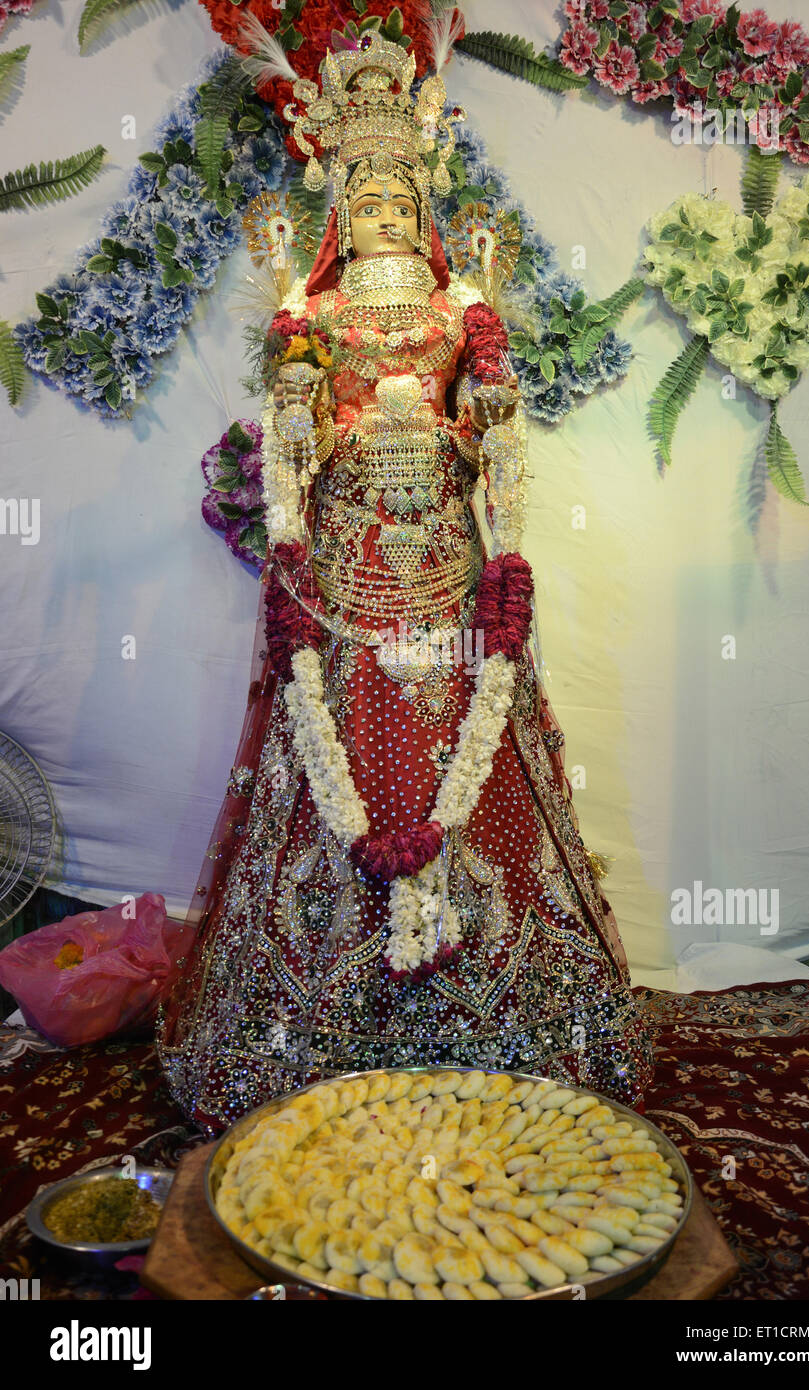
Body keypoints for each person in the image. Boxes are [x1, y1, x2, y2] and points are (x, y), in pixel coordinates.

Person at [156, 32, 653, 1135]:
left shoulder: (454, 306)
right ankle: (324, 1010)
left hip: (441, 550)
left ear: (422, 204)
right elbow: (295, 426)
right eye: (365, 193)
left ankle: (499, 1007)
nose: (382, 207)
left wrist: (479, 421)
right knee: (346, 717)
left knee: (455, 720)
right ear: (341, 204)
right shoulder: (320, 312)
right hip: (349, 552)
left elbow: (490, 412)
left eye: (397, 193)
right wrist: (306, 419)